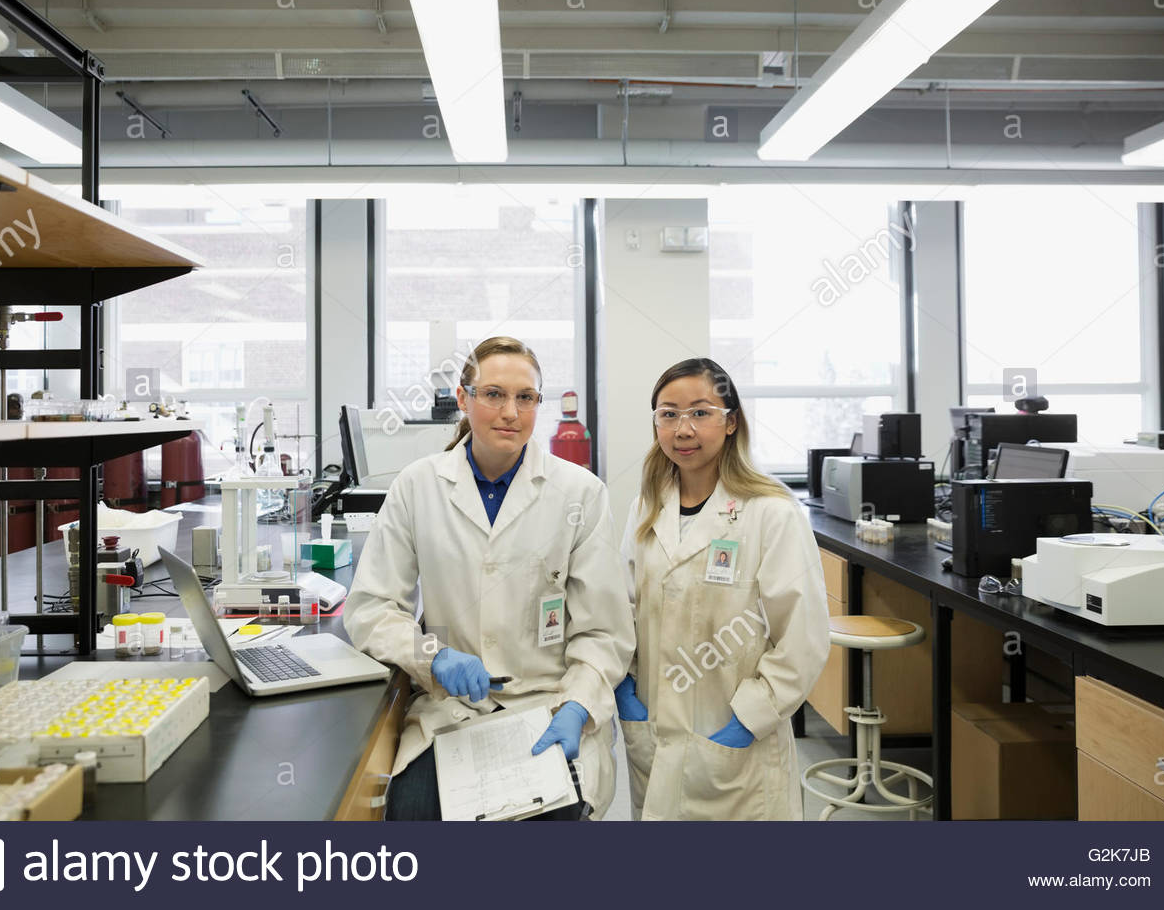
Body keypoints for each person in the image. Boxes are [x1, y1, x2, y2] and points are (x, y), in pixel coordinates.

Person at [344, 336, 635, 820]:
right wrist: (432, 658)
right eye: (493, 394)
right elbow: (371, 608)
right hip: (452, 709)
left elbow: (604, 631)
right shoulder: (417, 485)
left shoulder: (580, 494)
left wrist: (578, 707)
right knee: (414, 815)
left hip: (547, 704)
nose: (511, 412)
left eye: (526, 397)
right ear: (464, 399)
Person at [616, 357, 830, 820]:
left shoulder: (770, 511)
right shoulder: (646, 508)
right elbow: (622, 608)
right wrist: (625, 691)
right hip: (654, 731)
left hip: (737, 744)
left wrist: (749, 719)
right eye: (668, 414)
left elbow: (803, 637)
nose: (683, 429)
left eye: (700, 412)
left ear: (731, 421)